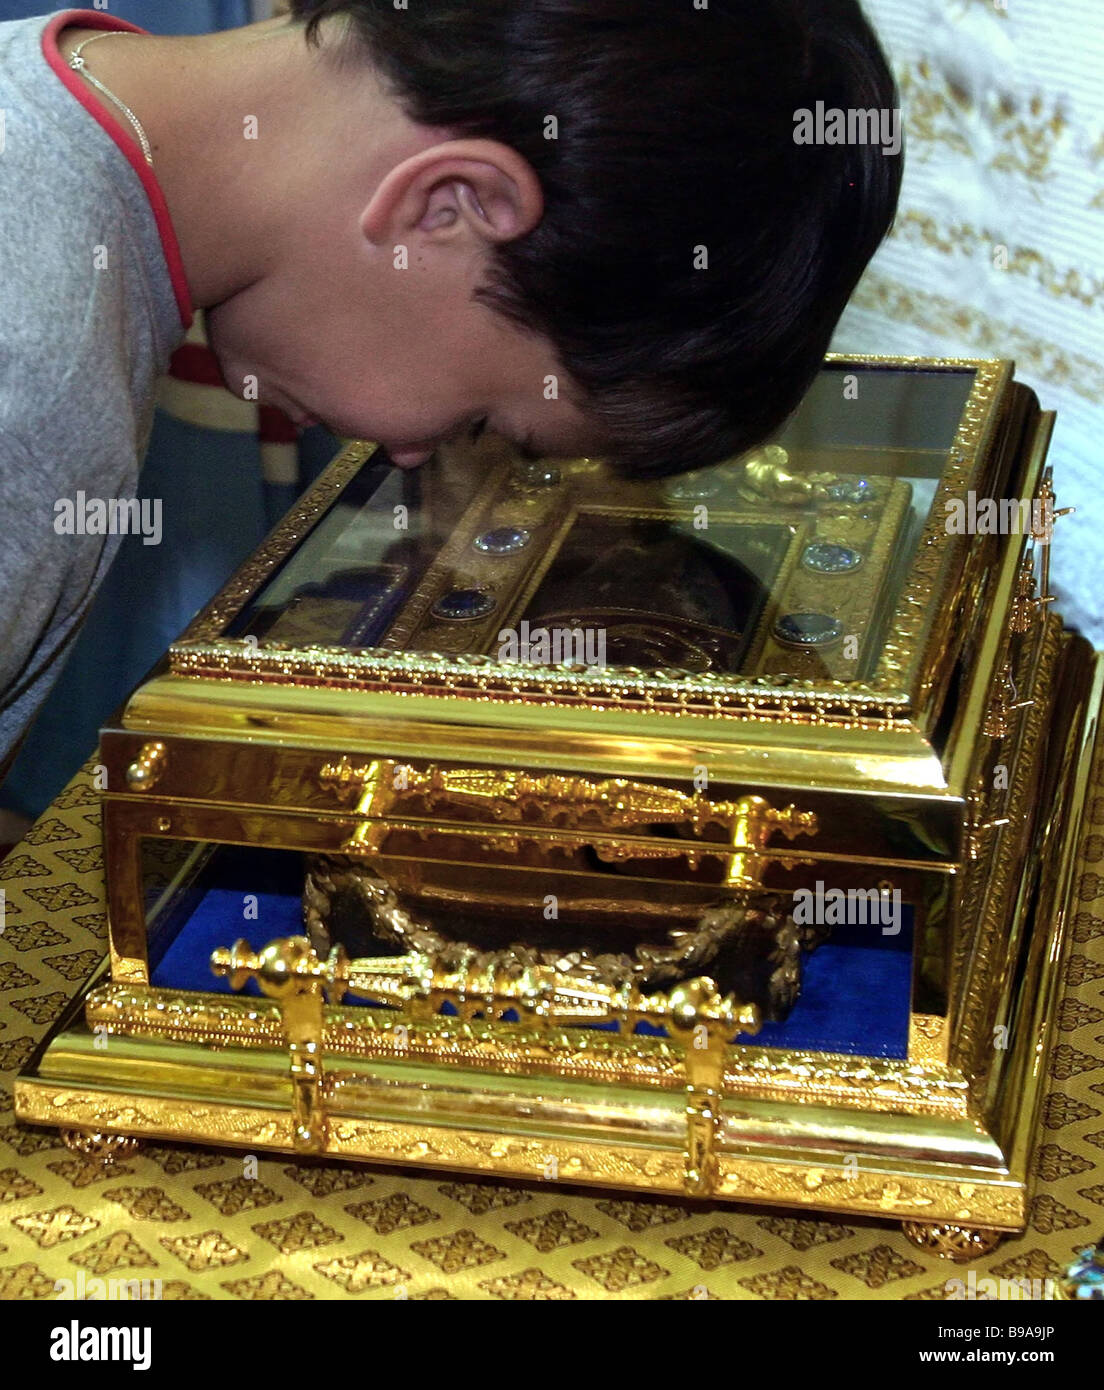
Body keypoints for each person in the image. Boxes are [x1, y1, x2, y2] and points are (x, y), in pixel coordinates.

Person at [0, 0, 902, 774]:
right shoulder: (36, 384)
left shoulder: (42, 88)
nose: (409, 452)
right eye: (484, 420)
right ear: (446, 203)